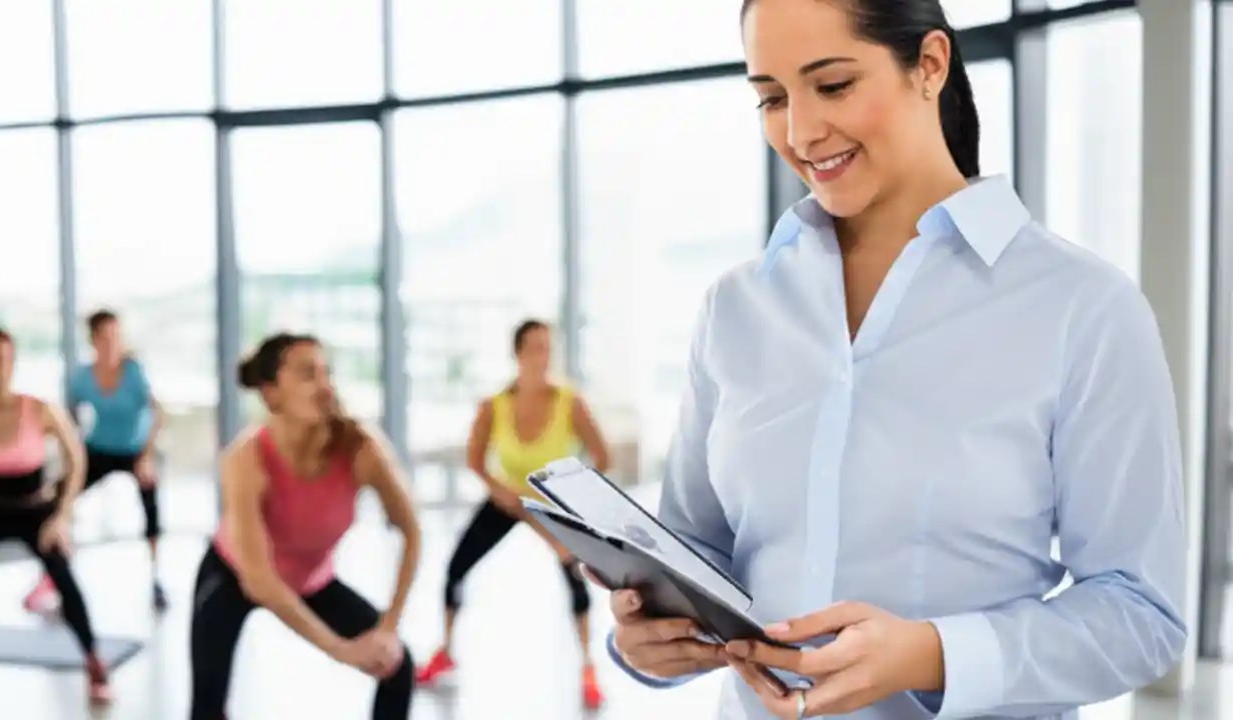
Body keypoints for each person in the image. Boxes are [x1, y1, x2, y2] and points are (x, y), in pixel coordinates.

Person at [605, 1, 1187, 719]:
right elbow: (699, 550)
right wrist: (649, 640)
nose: (800, 131)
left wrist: (932, 654)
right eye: (772, 98)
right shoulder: (735, 310)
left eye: (834, 85)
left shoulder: (1084, 309)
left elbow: (1140, 617)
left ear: (931, 65)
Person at [189, 332, 419, 720]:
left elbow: (411, 532)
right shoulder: (245, 459)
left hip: (312, 578)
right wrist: (339, 649)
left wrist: (387, 630)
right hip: (234, 574)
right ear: (271, 394)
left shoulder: (361, 448)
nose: (324, 386)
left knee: (397, 666)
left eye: (326, 373)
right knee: (207, 704)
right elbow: (259, 582)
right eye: (307, 374)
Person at [415, 319, 613, 710]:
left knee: (574, 577)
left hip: (552, 505)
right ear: (518, 353)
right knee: (456, 568)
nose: (543, 357)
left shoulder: (569, 402)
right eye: (535, 348)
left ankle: (588, 668)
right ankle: (446, 650)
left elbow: (603, 458)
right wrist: (501, 490)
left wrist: (569, 499)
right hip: (508, 500)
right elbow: (475, 460)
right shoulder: (494, 405)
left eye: (548, 348)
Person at [0, 326, 114, 705]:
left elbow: (77, 459)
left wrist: (62, 516)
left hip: (36, 512)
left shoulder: (38, 408)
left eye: (10, 356)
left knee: (65, 580)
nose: (5, 365)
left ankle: (94, 663)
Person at [24, 309, 167, 613]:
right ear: (93, 340)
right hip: (98, 448)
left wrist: (146, 457)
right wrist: (70, 457)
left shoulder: (134, 372)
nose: (111, 343)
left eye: (116, 336)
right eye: (105, 337)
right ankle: (52, 574)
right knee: (58, 498)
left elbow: (158, 413)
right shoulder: (83, 377)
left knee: (151, 504)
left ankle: (156, 579)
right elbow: (65, 420)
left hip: (134, 451)